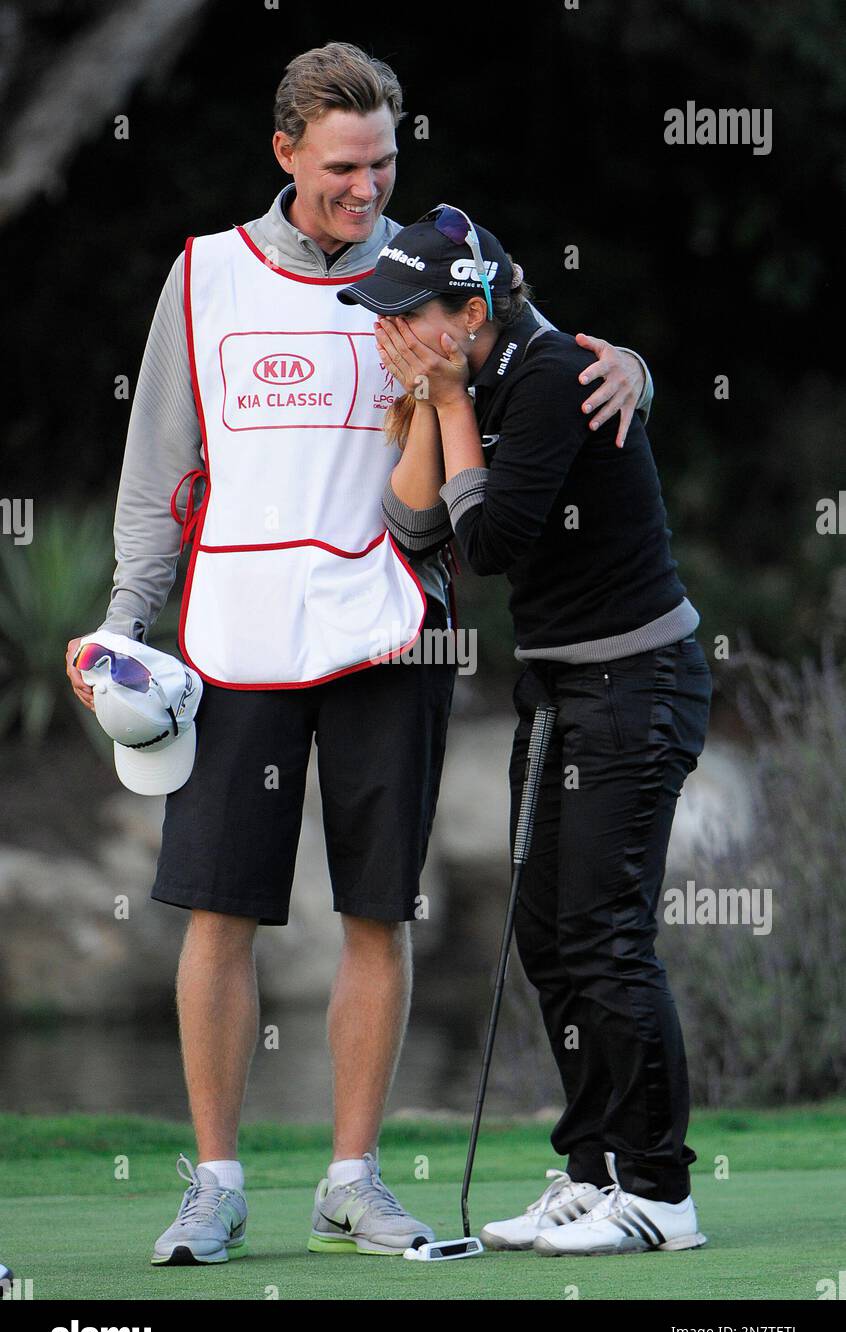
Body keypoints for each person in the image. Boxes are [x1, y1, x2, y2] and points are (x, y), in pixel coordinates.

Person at [63, 43, 654, 1263]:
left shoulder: (426, 261)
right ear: (284, 153)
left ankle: (351, 1177)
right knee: (219, 917)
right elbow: (154, 477)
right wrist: (129, 621)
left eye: (383, 161)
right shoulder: (204, 277)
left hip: (393, 629)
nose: (366, 188)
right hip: (235, 639)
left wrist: (638, 365)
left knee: (378, 912)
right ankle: (217, 1183)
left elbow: (541, 349)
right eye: (342, 166)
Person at [343, 206, 712, 1257]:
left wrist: (448, 396)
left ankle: (660, 1191)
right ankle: (595, 1172)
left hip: (635, 683)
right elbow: (417, 528)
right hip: (562, 690)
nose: (391, 331)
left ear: (471, 310)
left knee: (605, 940)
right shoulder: (481, 380)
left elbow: (493, 542)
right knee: (552, 939)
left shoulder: (544, 377)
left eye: (409, 315)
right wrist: (432, 401)